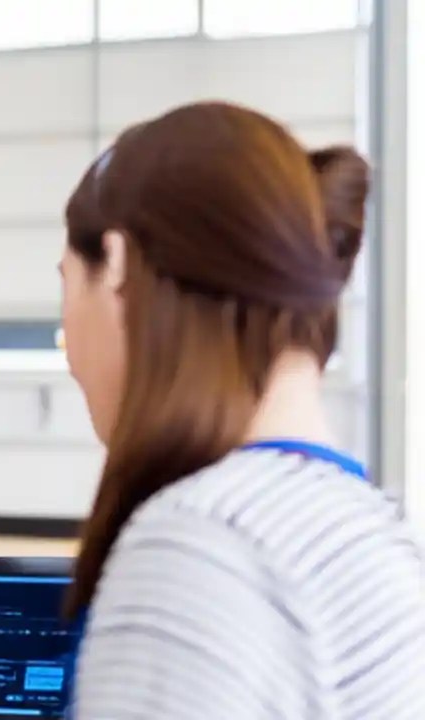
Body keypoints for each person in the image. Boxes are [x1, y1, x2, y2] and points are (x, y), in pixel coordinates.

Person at [56, 100, 425, 718]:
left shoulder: (200, 548)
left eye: (66, 284)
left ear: (116, 265)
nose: (70, 354)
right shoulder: (371, 525)